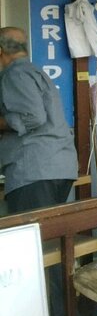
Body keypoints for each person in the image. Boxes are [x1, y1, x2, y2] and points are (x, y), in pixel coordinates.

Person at [0, 26, 78, 214]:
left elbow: (33, 117)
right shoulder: (35, 71)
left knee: (33, 236)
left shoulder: (14, 74)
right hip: (57, 165)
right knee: (46, 235)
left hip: (33, 169)